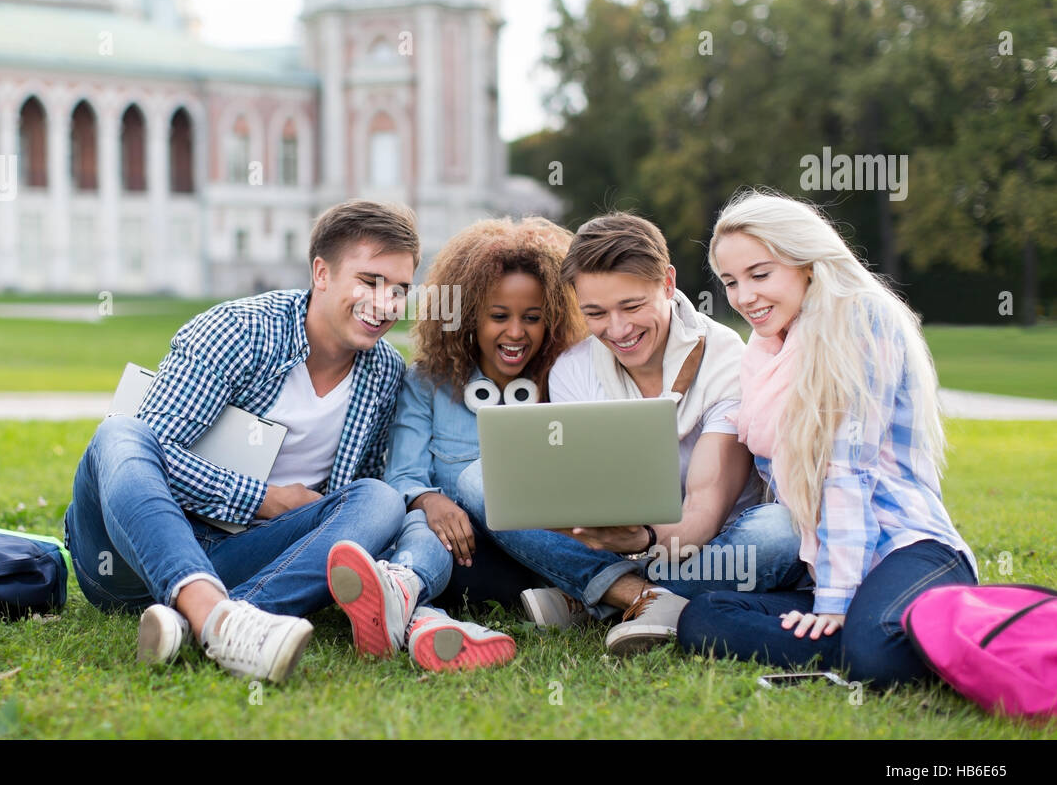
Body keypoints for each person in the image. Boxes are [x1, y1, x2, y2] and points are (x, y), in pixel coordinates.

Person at [62, 199, 419, 684]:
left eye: (400, 290)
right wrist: (266, 500)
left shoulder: (384, 372)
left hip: (243, 558)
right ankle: (214, 613)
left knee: (379, 500)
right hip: (130, 555)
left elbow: (358, 497)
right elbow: (155, 450)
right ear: (321, 273)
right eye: (370, 282)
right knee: (121, 433)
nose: (386, 305)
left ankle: (218, 620)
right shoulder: (240, 331)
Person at [456, 211, 806, 656]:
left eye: (632, 306)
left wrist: (643, 539)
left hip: (707, 550)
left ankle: (591, 596)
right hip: (611, 547)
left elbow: (704, 509)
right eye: (596, 313)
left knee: (780, 533)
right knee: (478, 479)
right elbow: (576, 490)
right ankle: (637, 598)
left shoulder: (727, 363)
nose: (618, 330)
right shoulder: (574, 369)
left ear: (667, 283)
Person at [676, 190, 978, 687]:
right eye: (730, 282)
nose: (744, 296)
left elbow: (845, 470)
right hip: (822, 563)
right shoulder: (767, 348)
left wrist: (835, 602)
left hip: (902, 547)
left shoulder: (860, 318)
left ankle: (882, 634)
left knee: (877, 660)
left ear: (807, 264)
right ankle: (878, 638)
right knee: (704, 617)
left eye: (760, 274)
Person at [371, 217, 586, 670]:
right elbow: (403, 475)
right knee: (421, 529)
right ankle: (420, 609)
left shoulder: (565, 382)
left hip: (537, 556)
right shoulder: (427, 382)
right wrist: (432, 501)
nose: (515, 333)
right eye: (499, 316)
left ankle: (417, 614)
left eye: (532, 318)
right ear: (470, 316)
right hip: (457, 556)